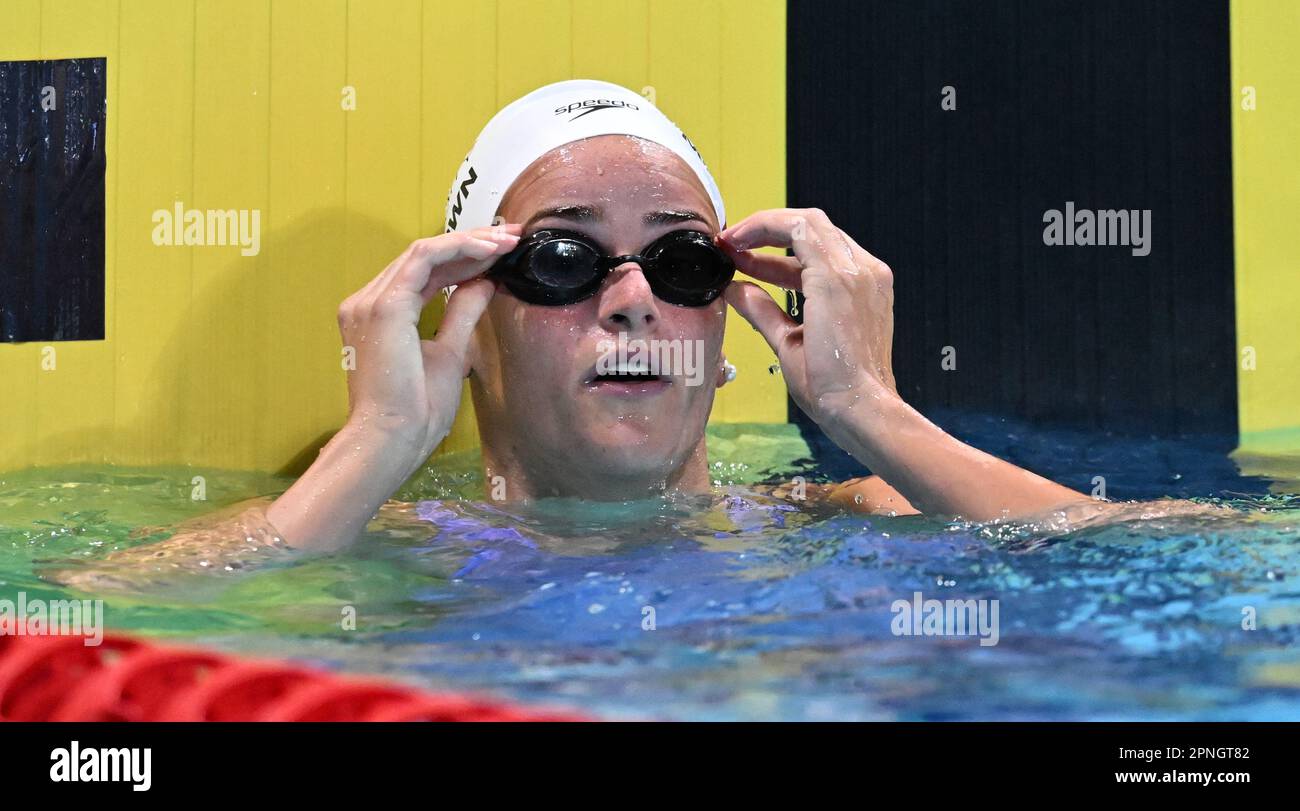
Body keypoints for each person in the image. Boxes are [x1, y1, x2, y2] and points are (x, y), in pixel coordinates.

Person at [52, 80, 1204, 589]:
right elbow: (72, 633)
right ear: (470, 313)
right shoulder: (375, 536)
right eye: (559, 259)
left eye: (682, 258)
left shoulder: (843, 521)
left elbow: (1180, 564)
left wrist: (872, 416)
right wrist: (373, 446)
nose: (633, 298)